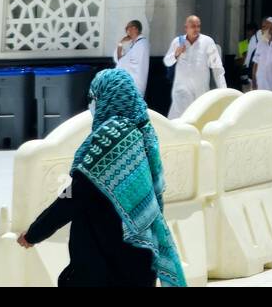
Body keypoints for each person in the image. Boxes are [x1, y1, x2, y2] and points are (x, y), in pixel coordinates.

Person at [17, 69, 186, 287]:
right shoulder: (144, 132)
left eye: (94, 98)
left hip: (104, 260)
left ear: (106, 98)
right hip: (140, 260)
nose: (92, 105)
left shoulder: (108, 140)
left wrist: (34, 232)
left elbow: (73, 195)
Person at [162, 15, 227, 118]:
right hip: (181, 91)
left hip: (200, 91)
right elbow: (167, 61)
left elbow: (217, 68)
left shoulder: (207, 42)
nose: (196, 29)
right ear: (186, 28)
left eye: (198, 26)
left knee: (199, 120)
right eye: (193, 26)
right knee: (179, 120)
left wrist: (224, 90)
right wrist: (176, 54)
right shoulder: (178, 42)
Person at [114, 19, 150, 97]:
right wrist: (121, 43)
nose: (126, 30)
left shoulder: (141, 43)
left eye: (127, 27)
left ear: (135, 28)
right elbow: (120, 60)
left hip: (135, 84)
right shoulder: (133, 44)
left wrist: (121, 43)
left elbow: (121, 61)